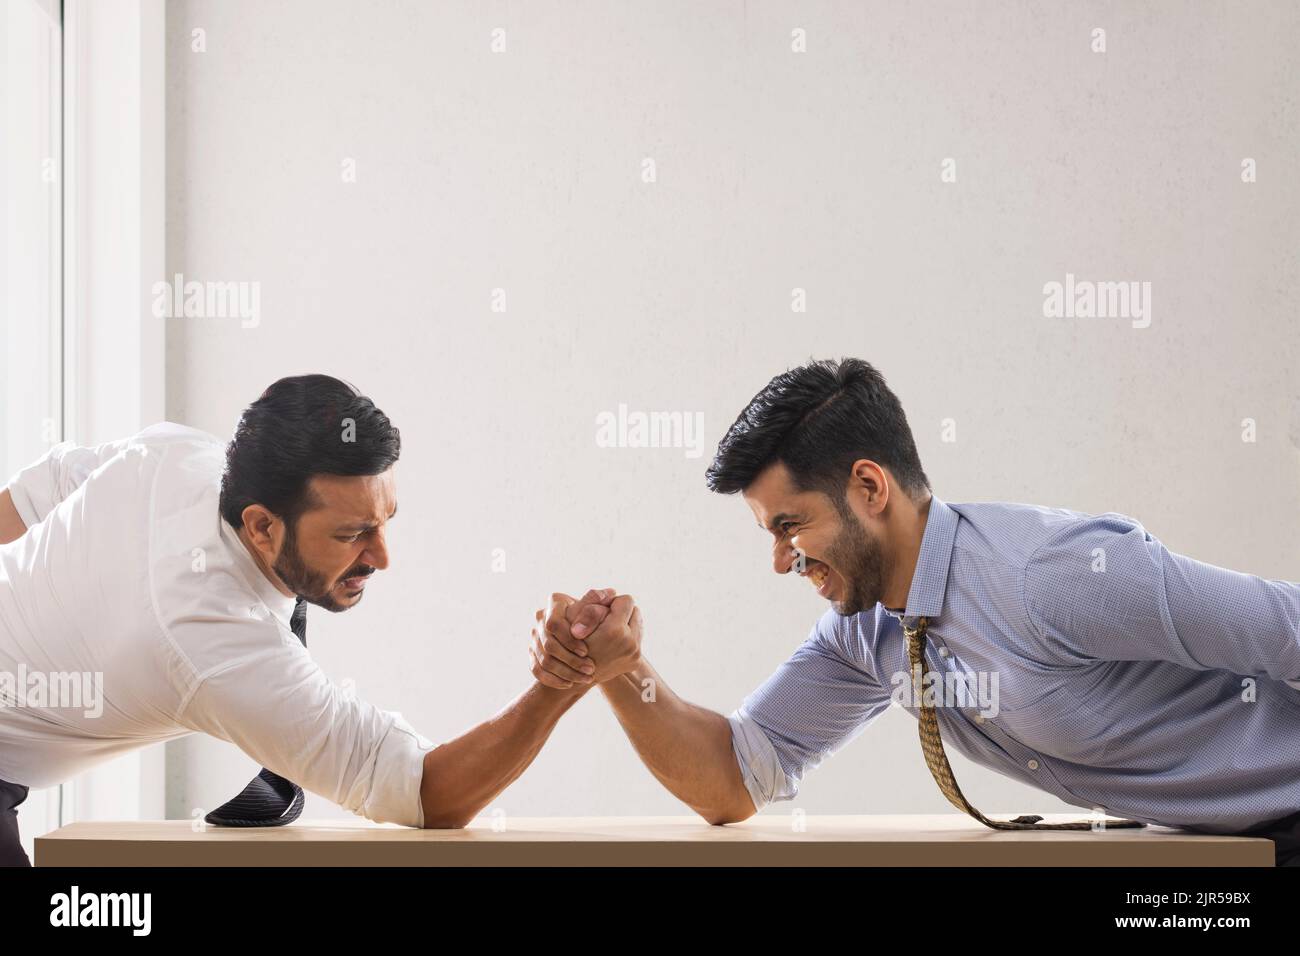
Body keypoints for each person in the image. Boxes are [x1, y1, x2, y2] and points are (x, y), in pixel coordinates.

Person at [533, 357, 1300, 865]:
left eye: (789, 526)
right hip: (1221, 863)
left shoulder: (1054, 576)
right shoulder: (865, 634)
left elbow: (1287, 629)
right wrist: (623, 672)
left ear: (870, 488)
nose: (780, 561)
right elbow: (736, 777)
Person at [0, 373, 638, 866]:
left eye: (386, 522)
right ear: (260, 525)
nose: (383, 557)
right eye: (355, 533)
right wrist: (564, 680)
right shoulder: (218, 648)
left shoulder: (180, 457)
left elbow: (46, 487)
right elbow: (427, 794)